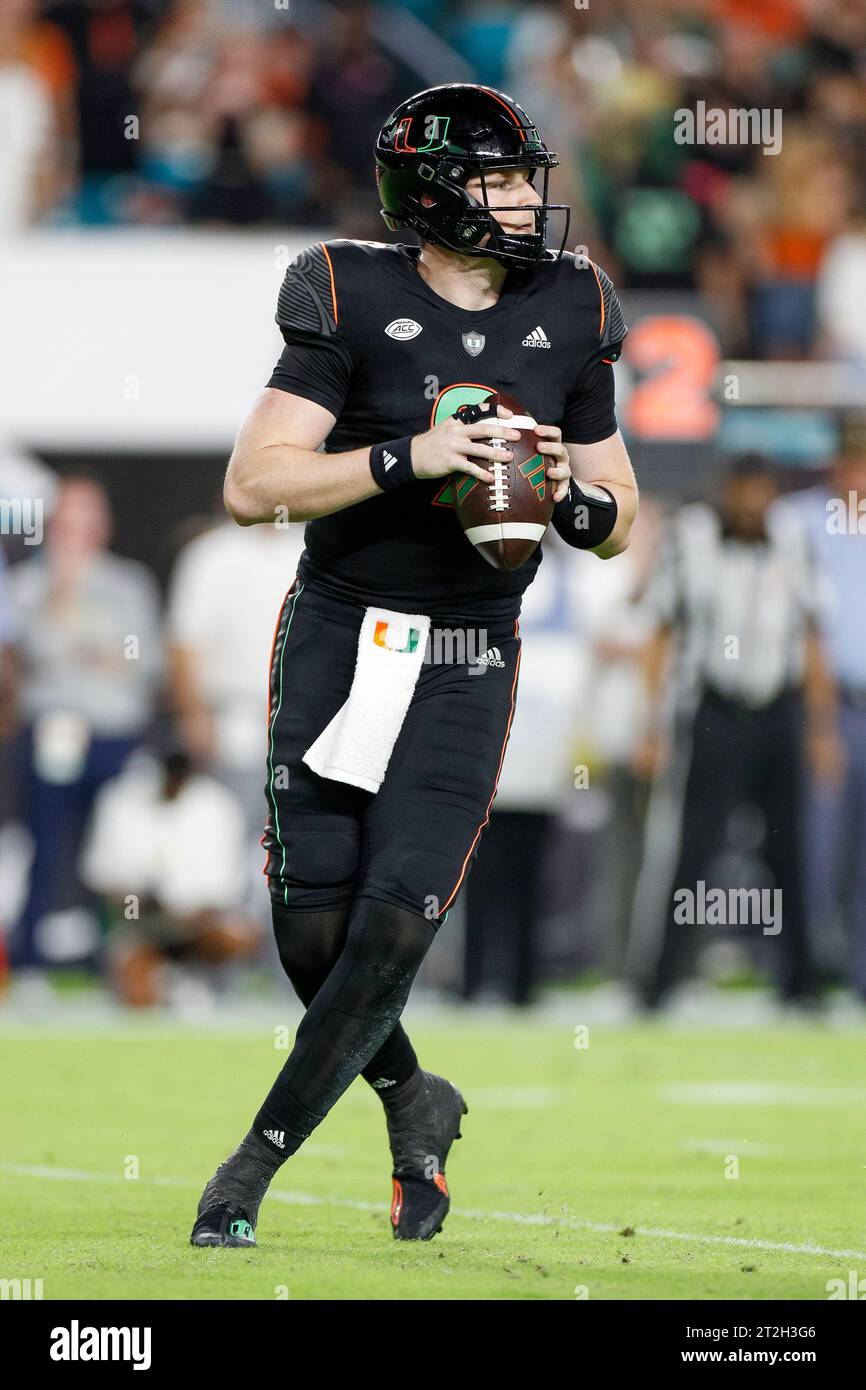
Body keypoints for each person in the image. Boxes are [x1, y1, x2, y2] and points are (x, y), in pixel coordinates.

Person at [190, 83, 637, 1250]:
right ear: (432, 192)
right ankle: (412, 1097)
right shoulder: (348, 289)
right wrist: (409, 456)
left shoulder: (572, 301)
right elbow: (252, 488)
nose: (521, 201)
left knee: (395, 926)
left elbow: (618, 508)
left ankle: (250, 1166)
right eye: (494, 180)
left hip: (466, 653)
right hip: (345, 633)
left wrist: (566, 496)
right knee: (312, 935)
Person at [627, 454, 840, 1010]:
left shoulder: (794, 540)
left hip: (779, 711)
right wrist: (650, 725)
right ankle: (660, 980)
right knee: (691, 848)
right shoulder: (691, 538)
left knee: (788, 849)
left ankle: (802, 983)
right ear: (727, 490)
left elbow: (813, 637)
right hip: (715, 711)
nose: (751, 502)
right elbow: (660, 634)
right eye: (742, 490)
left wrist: (822, 730)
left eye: (760, 491)